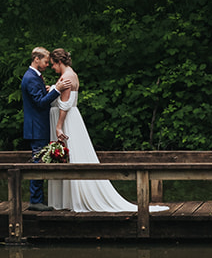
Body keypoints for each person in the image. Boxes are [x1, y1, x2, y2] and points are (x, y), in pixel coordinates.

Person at [46, 47, 168, 215]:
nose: (52, 67)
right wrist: (53, 90)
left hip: (67, 122)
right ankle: (70, 198)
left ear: (59, 62)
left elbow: (65, 105)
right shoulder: (71, 74)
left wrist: (59, 126)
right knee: (72, 156)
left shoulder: (66, 77)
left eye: (53, 64)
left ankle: (76, 199)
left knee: (72, 156)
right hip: (72, 120)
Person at [20, 46, 61, 209]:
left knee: (41, 159)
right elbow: (40, 103)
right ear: (36, 59)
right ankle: (35, 201)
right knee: (38, 161)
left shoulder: (34, 77)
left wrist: (47, 90)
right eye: (45, 61)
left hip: (38, 126)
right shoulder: (30, 77)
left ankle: (38, 199)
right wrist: (56, 90)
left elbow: (38, 98)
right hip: (36, 127)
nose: (46, 65)